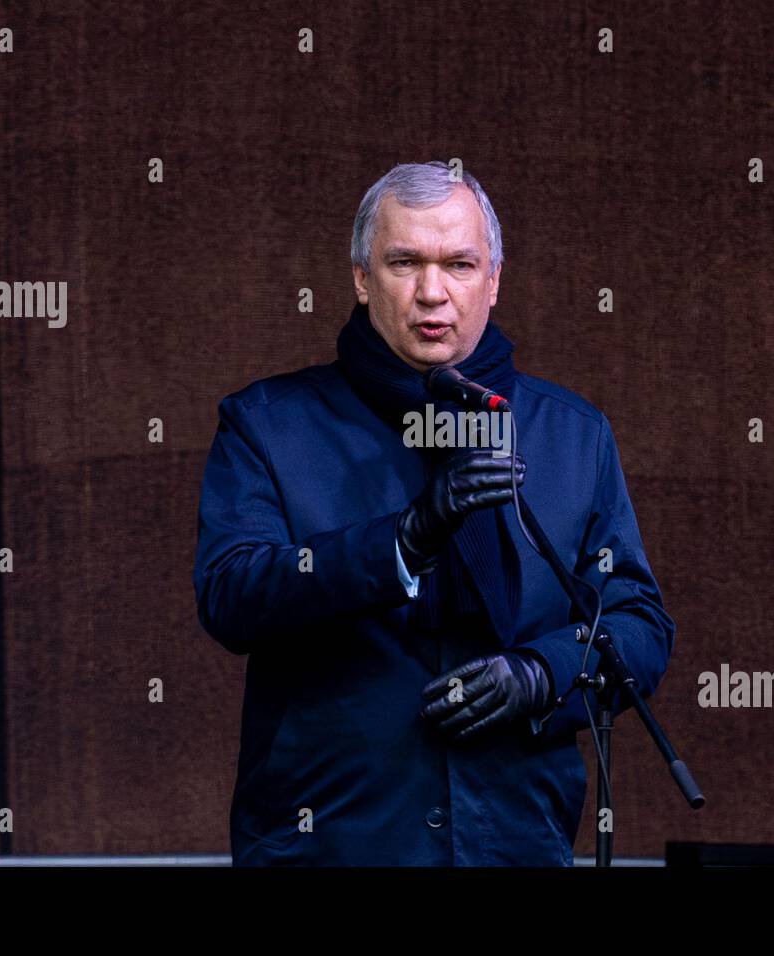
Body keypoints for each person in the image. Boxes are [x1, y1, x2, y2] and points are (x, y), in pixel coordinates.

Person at [192, 160, 676, 865]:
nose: (431, 292)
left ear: (494, 279)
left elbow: (639, 624)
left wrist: (541, 674)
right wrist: (402, 542)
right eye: (403, 262)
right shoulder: (268, 425)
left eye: (458, 263)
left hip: (513, 844)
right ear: (362, 278)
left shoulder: (572, 433)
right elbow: (230, 596)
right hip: (331, 847)